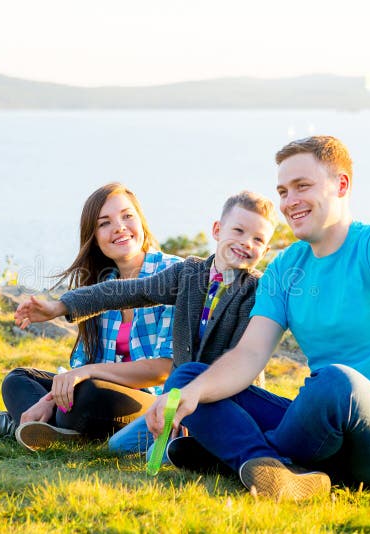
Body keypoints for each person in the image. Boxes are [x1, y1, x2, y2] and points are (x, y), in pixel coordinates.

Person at [145, 135, 370, 501]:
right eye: (282, 191)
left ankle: (241, 453)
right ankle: (268, 467)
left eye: (301, 186)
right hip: (325, 428)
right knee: (188, 377)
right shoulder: (285, 269)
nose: (289, 202)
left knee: (337, 384)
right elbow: (248, 356)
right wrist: (193, 394)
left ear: (341, 185)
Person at [15, 191, 277, 462]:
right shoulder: (189, 273)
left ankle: (209, 448)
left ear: (266, 250)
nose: (246, 243)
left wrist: (188, 406)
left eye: (258, 239)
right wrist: (61, 306)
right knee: (118, 447)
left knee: (163, 454)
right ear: (217, 230)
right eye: (239, 231)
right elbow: (124, 292)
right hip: (176, 400)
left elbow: (235, 365)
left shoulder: (254, 291)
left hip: (221, 401)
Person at [0, 182, 181, 450]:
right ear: (95, 237)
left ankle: (25, 424)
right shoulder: (98, 285)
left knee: (88, 395)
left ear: (141, 221)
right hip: (95, 393)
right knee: (18, 379)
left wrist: (85, 375)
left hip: (150, 400)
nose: (119, 227)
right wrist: (50, 398)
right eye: (104, 223)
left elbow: (163, 370)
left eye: (127, 216)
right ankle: (51, 426)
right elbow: (81, 366)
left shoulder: (173, 273)